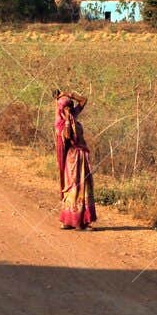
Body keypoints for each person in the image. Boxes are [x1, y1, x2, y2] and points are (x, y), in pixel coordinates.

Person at [54, 89, 96, 230]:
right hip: (72, 160)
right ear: (61, 109)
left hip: (82, 157)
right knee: (73, 188)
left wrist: (71, 95)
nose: (69, 109)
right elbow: (66, 136)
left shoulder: (73, 114)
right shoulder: (60, 124)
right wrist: (66, 121)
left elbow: (84, 100)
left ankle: (84, 221)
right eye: (66, 107)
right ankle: (70, 221)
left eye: (70, 106)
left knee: (84, 188)